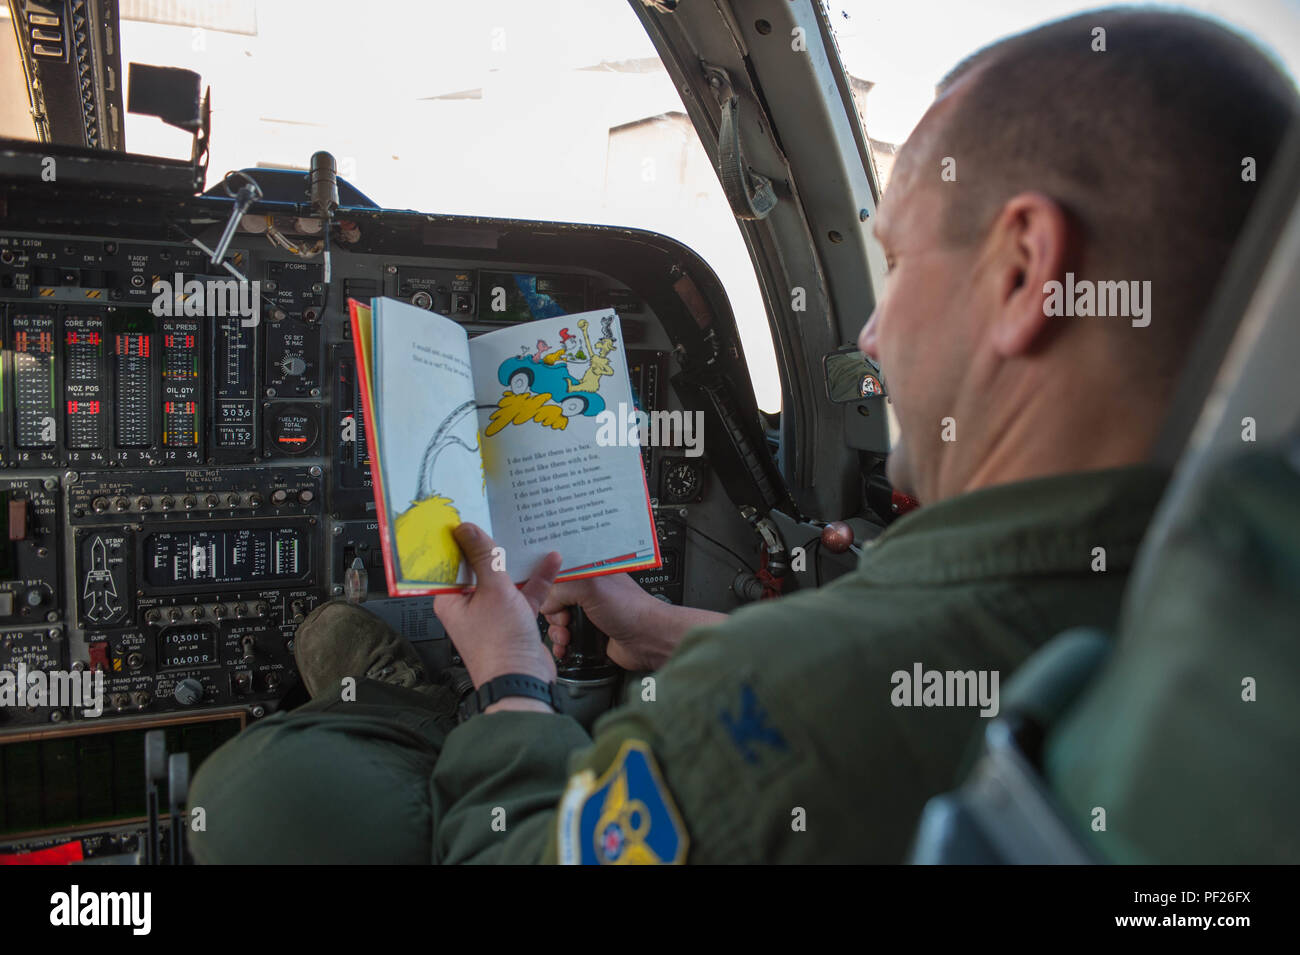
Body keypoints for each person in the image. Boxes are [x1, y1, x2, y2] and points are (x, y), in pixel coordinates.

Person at [186, 8, 1298, 863]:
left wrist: (512, 679)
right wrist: (664, 629)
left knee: (258, 797)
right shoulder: (1210, 608)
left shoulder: (787, 704)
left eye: (900, 262)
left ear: (1022, 272)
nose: (868, 328)